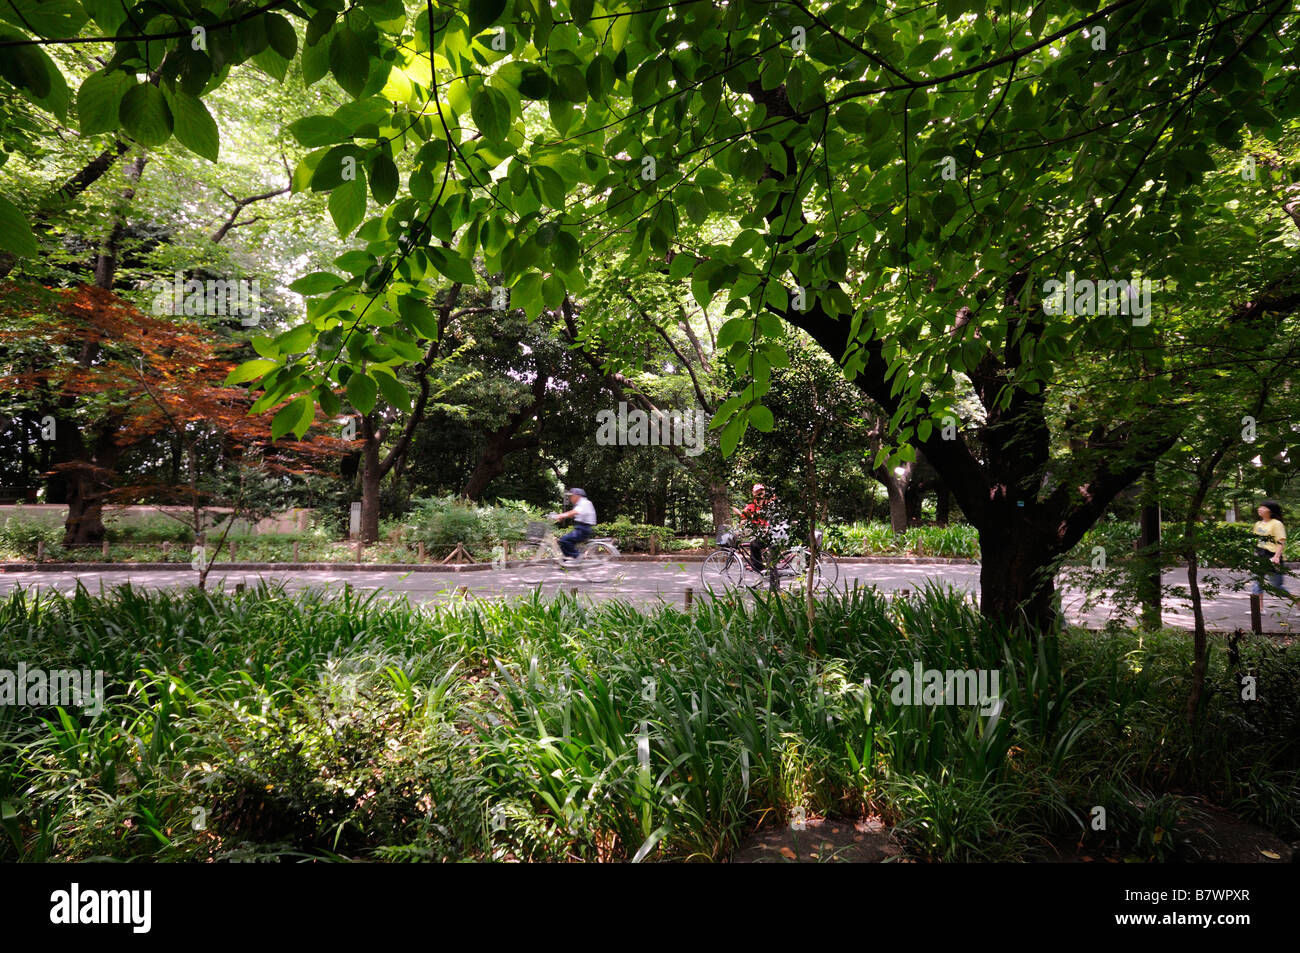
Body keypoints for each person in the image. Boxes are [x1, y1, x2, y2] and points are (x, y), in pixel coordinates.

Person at [1250, 500, 1289, 599]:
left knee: (1276, 587)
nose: (1260, 509)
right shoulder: (1258, 524)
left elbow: (1281, 541)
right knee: (1257, 584)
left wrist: (1276, 557)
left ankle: (1297, 601)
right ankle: (1258, 610)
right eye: (1260, 507)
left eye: (1264, 507)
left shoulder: (1276, 523)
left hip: (1272, 556)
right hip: (1260, 556)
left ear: (1271, 511)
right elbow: (1256, 541)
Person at [732, 483, 775, 573]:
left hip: (770, 532)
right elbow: (744, 520)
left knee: (754, 544)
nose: (759, 494)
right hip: (759, 532)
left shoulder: (769, 503)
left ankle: (759, 568)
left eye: (761, 491)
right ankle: (759, 568)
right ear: (753, 493)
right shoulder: (751, 506)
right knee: (754, 544)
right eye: (757, 492)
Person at [553, 487, 597, 560]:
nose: (570, 498)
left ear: (576, 496)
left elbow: (575, 512)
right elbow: (573, 514)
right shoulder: (581, 503)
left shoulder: (584, 503)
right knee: (566, 542)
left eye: (571, 496)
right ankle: (566, 560)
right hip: (581, 528)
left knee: (564, 540)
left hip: (583, 529)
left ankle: (577, 557)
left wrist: (561, 515)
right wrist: (562, 517)